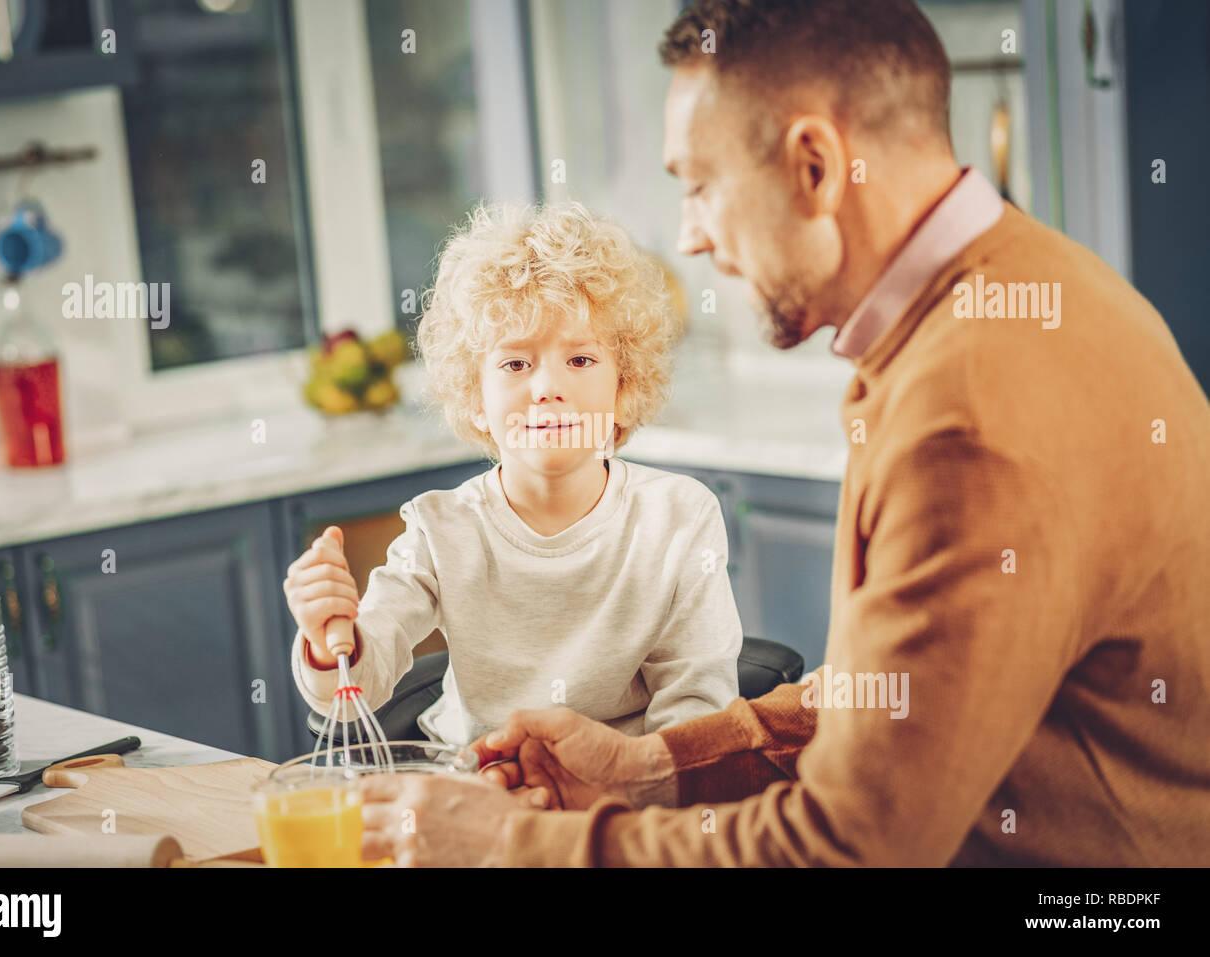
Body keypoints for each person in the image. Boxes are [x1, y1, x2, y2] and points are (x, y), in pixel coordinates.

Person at [358, 0, 1210, 866]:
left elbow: (846, 848)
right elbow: (895, 697)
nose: (690, 237)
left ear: (814, 166)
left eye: (699, 185)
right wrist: (655, 765)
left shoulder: (968, 416)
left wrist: (520, 843)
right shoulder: (1028, 290)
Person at [284, 201, 742, 750]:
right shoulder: (439, 528)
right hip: (476, 783)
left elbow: (696, 710)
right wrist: (325, 638)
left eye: (580, 361)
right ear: (476, 399)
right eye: (515, 364)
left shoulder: (679, 518)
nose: (547, 388)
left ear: (624, 387)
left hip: (623, 793)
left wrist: (617, 789)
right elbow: (359, 676)